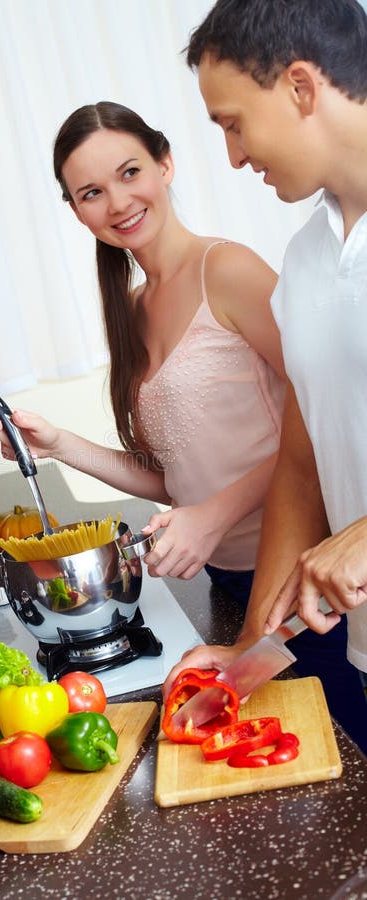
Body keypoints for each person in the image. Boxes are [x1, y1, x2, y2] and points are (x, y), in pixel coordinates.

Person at [0, 100, 366, 746]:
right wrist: (59, 445)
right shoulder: (134, 311)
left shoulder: (230, 270)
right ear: (76, 210)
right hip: (231, 584)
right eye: (91, 193)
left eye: (130, 171)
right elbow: (178, 479)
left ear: (165, 164)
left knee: (343, 754)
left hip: (304, 584)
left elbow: (318, 433)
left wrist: (213, 514)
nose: (117, 202)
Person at [163, 0, 367, 751]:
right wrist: (249, 652)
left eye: (233, 122)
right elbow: (302, 460)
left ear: (302, 87)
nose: (234, 156)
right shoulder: (308, 259)